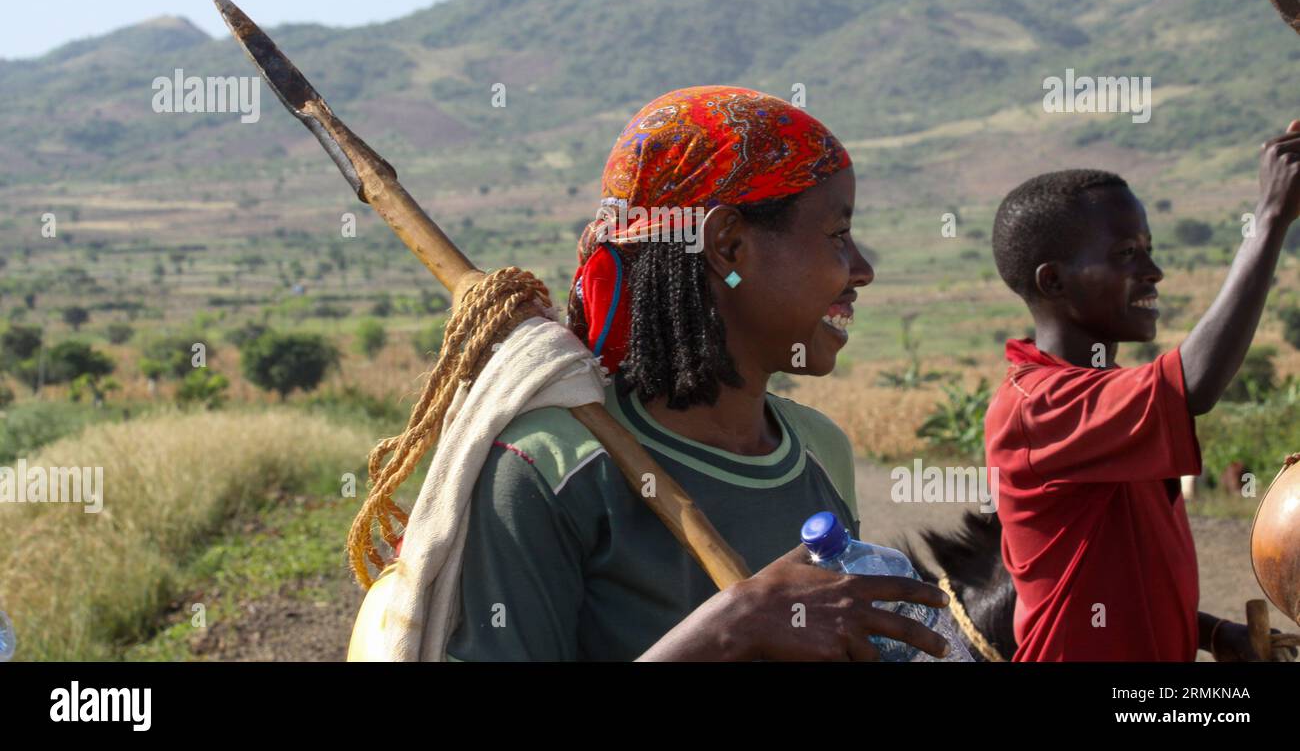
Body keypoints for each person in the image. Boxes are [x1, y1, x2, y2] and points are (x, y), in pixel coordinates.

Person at [443, 85, 953, 661]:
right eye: (838, 235)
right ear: (728, 246)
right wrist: (732, 626)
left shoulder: (818, 449)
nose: (862, 270)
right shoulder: (554, 468)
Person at [986, 121, 1300, 661]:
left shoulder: (1112, 405)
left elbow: (1115, 578)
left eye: (1149, 250)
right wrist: (1271, 216)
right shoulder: (1039, 407)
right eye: (1127, 253)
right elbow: (1195, 384)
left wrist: (1210, 633)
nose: (1154, 272)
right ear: (1053, 281)